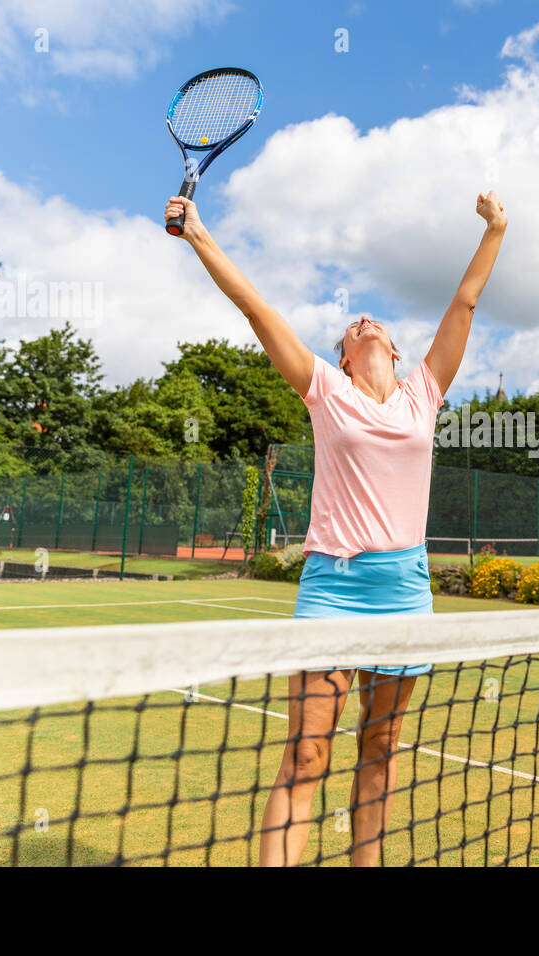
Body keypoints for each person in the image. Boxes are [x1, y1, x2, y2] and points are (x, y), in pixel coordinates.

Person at [164, 188, 507, 865]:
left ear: (396, 349)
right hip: (333, 590)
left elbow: (464, 302)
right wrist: (198, 234)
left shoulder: (424, 394)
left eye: (373, 322)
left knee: (379, 754)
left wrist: (496, 229)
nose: (364, 322)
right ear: (344, 358)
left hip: (405, 593)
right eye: (352, 328)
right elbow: (258, 309)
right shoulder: (326, 390)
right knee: (308, 753)